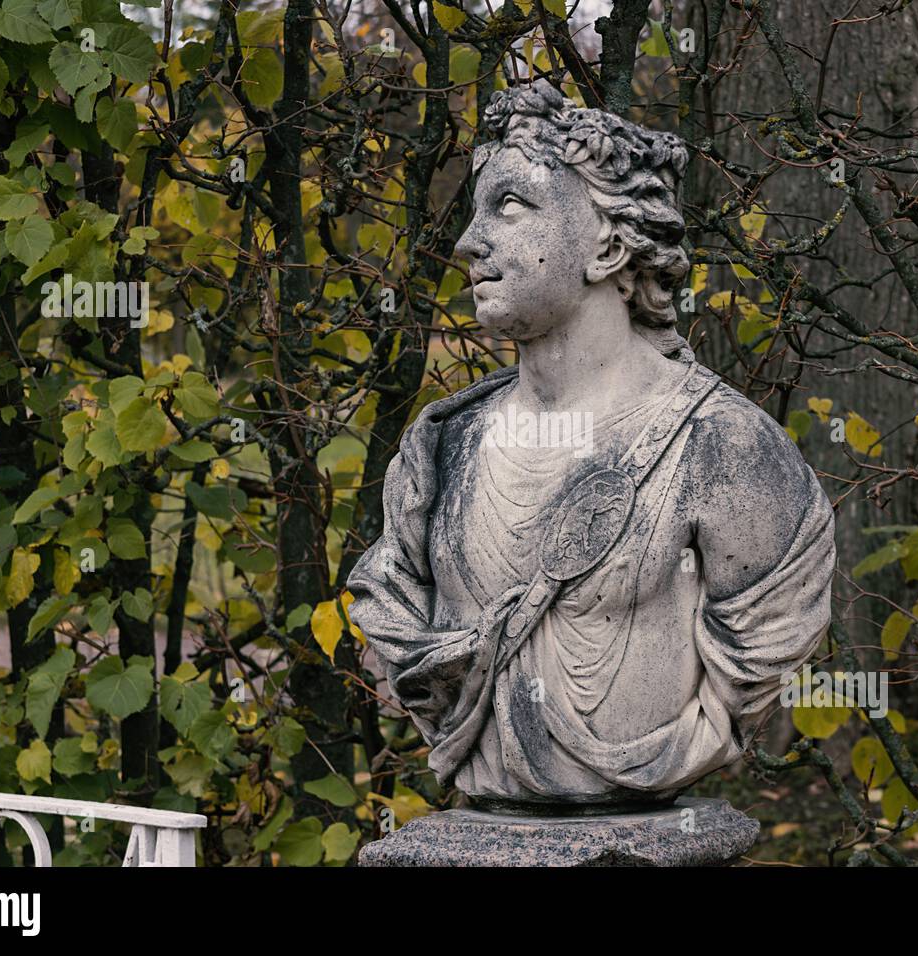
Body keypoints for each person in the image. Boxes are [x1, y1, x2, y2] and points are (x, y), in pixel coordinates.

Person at [348, 81, 835, 812]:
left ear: (608, 245)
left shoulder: (724, 449)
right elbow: (389, 605)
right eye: (476, 210)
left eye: (510, 206)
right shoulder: (441, 448)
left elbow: (767, 641)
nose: (468, 242)